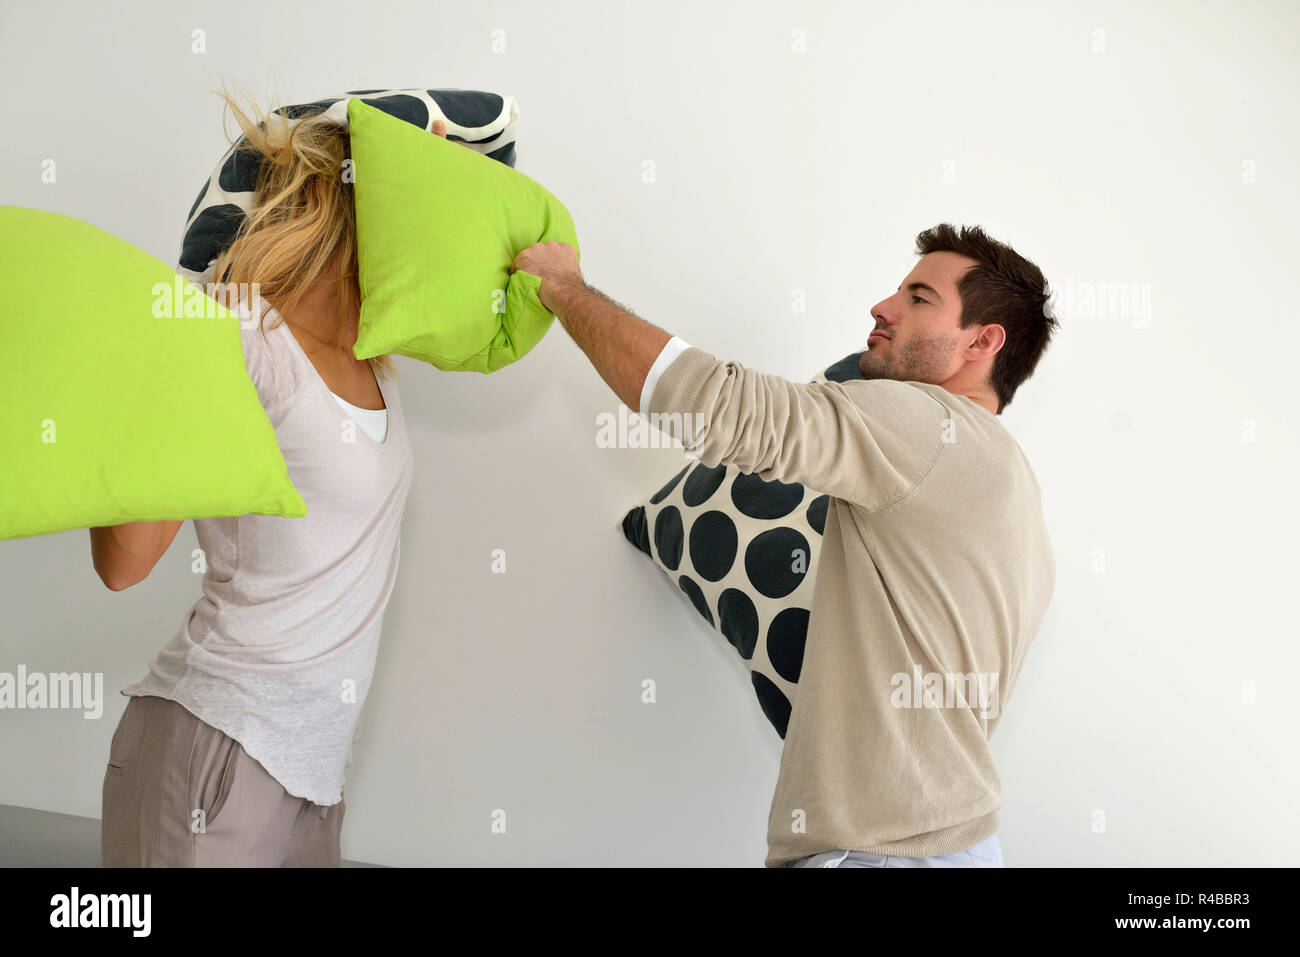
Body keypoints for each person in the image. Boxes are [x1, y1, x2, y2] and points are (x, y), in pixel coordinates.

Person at [510, 224, 1058, 867]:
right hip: (941, 844)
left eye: (919, 298)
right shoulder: (1009, 479)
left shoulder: (927, 425)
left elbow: (718, 408)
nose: (883, 308)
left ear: (982, 341)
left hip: (885, 856)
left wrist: (564, 288)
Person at [93, 90, 451, 866]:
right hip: (217, 745)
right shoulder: (241, 332)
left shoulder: (376, 362)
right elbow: (124, 563)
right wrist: (137, 398)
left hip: (313, 775)